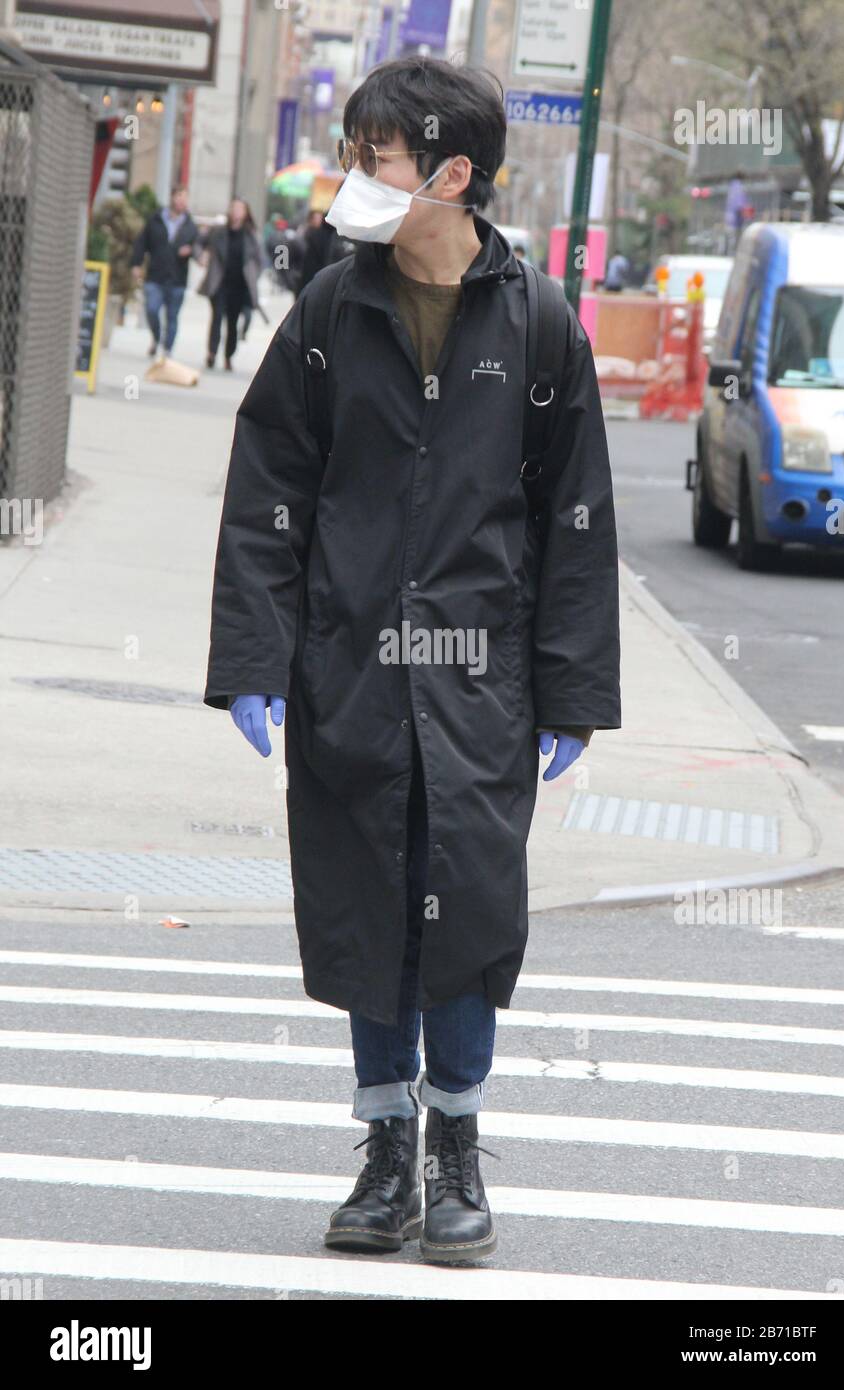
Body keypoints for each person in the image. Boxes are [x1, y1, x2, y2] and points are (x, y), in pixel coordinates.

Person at [203, 56, 620, 1266]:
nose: (352, 178)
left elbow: (573, 522)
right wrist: (255, 658)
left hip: (481, 684)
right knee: (365, 901)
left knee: (469, 913)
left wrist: (571, 693)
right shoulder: (332, 310)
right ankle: (385, 1154)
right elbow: (266, 487)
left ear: (448, 174)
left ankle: (455, 1147)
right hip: (352, 669)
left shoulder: (539, 325)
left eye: (371, 155)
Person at [130, 185, 199, 358]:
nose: (182, 201)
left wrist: (192, 252)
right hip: (155, 275)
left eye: (185, 197)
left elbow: (198, 246)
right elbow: (141, 243)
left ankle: (167, 349)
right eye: (179, 196)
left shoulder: (191, 225)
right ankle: (156, 337)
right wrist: (136, 264)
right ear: (172, 197)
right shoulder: (155, 219)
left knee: (172, 316)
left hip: (177, 278)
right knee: (152, 309)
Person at [197, 197, 265, 370]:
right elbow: (199, 243)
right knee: (216, 318)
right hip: (219, 283)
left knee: (233, 323)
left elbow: (260, 260)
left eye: (239, 209)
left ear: (245, 213)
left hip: (239, 286)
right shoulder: (218, 231)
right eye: (233, 208)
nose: (235, 212)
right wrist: (201, 256)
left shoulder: (250, 235)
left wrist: (253, 275)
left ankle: (228, 356)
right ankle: (212, 353)